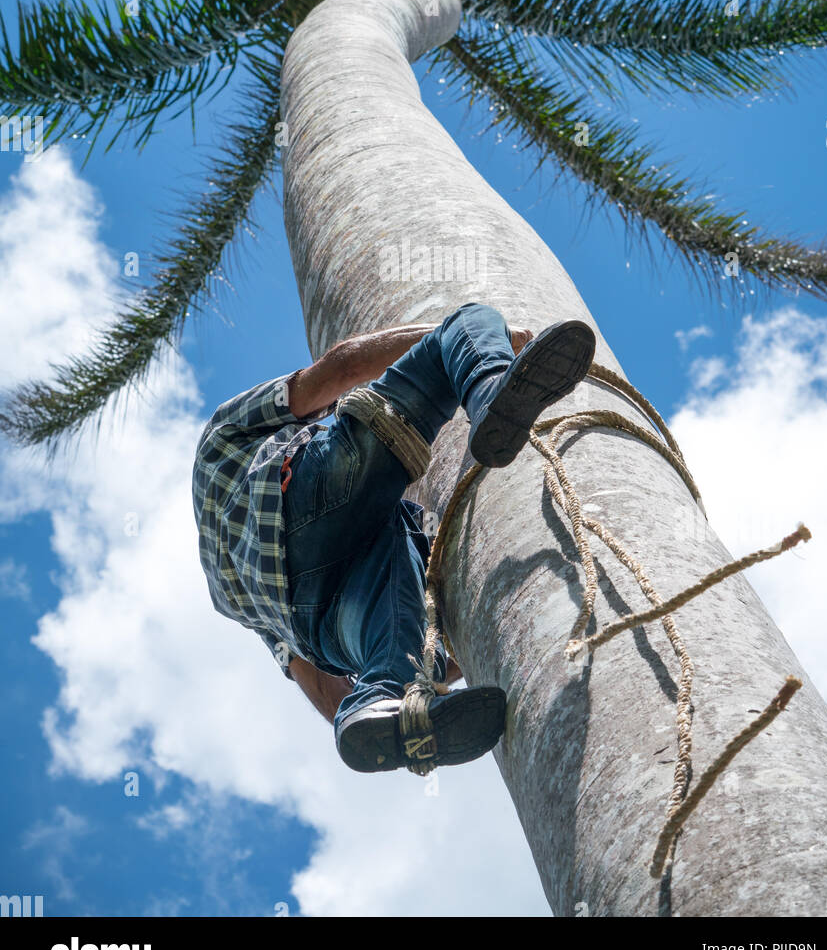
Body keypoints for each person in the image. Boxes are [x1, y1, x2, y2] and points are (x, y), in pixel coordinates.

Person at [193, 303, 595, 773]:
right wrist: (499, 339)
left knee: (397, 550)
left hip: (315, 616)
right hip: (305, 500)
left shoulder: (231, 596)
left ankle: (393, 699)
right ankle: (488, 383)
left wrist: (436, 664)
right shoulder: (219, 434)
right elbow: (342, 366)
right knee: (467, 324)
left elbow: (318, 683)